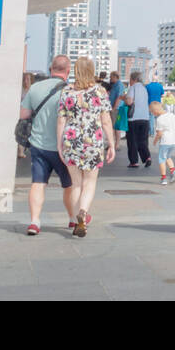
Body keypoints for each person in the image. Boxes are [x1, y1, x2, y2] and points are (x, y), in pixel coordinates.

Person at [18, 54, 78, 236]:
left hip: (38, 145)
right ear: (68, 71)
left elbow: (23, 115)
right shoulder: (70, 91)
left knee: (38, 183)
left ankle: (35, 222)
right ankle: (72, 219)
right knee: (70, 186)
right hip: (63, 148)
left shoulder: (35, 88)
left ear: (51, 69)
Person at [56, 55, 115, 237]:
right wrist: (111, 144)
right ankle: (83, 212)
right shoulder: (100, 92)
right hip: (93, 141)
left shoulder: (67, 91)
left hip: (71, 140)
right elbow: (106, 121)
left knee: (76, 185)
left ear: (75, 70)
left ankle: (76, 220)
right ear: (92, 71)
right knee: (89, 183)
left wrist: (60, 145)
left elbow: (61, 121)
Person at [122, 71, 152, 168]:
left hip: (134, 118)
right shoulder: (144, 88)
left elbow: (129, 101)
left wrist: (124, 98)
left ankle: (134, 161)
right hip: (145, 117)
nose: (129, 81)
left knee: (132, 140)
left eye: (130, 79)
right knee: (142, 140)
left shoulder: (133, 88)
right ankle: (147, 157)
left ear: (133, 79)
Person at [152, 100, 175, 184]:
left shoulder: (159, 119)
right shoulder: (171, 115)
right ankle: (173, 171)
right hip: (173, 141)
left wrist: (155, 141)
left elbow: (159, 133)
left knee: (161, 159)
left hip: (165, 142)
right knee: (168, 156)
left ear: (155, 111)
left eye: (152, 112)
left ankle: (163, 178)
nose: (153, 114)